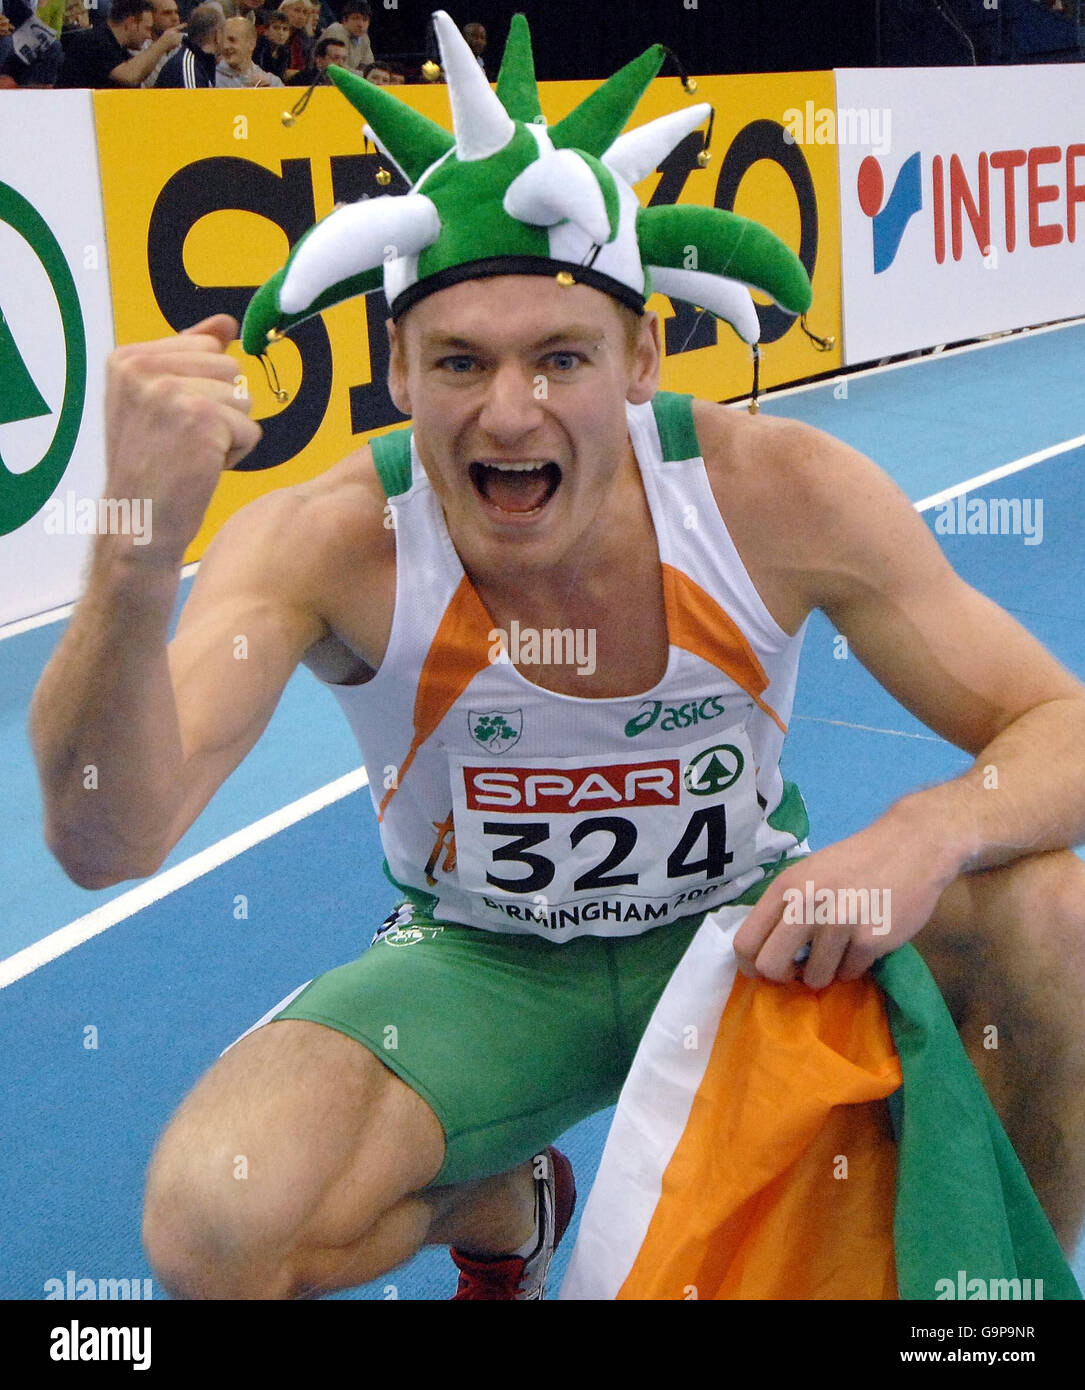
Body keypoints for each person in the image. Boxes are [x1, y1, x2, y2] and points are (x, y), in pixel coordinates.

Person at [30, 10, 1085, 1303]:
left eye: (561, 357)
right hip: (479, 961)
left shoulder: (777, 493)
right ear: (397, 369)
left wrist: (924, 830)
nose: (510, 408)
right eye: (460, 362)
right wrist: (131, 555)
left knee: (1050, 909)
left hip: (747, 932)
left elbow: (1058, 724)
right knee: (215, 1226)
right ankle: (505, 1194)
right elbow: (104, 843)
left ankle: (1000, 1301)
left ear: (643, 357)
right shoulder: (323, 541)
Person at [55, 0, 180, 86]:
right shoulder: (94, 41)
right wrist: (163, 44)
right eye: (147, 29)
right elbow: (129, 77)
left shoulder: (121, 50)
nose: (148, 36)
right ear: (131, 23)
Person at [154, 0, 221, 85]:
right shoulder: (187, 63)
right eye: (167, 13)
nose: (175, 18)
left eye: (176, 12)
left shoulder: (199, 56)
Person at [216, 12, 280, 83]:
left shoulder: (272, 83)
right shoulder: (209, 80)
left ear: (251, 44)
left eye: (232, 40)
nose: (225, 46)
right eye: (222, 41)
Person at [320, 0, 371, 72]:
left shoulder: (364, 38)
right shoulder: (336, 31)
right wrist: (366, 76)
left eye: (365, 20)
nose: (360, 24)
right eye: (355, 18)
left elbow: (368, 67)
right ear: (345, 20)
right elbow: (339, 68)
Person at [252, 5, 288, 78]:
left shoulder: (285, 51)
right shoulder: (258, 47)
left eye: (285, 29)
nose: (281, 33)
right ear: (265, 30)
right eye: (276, 28)